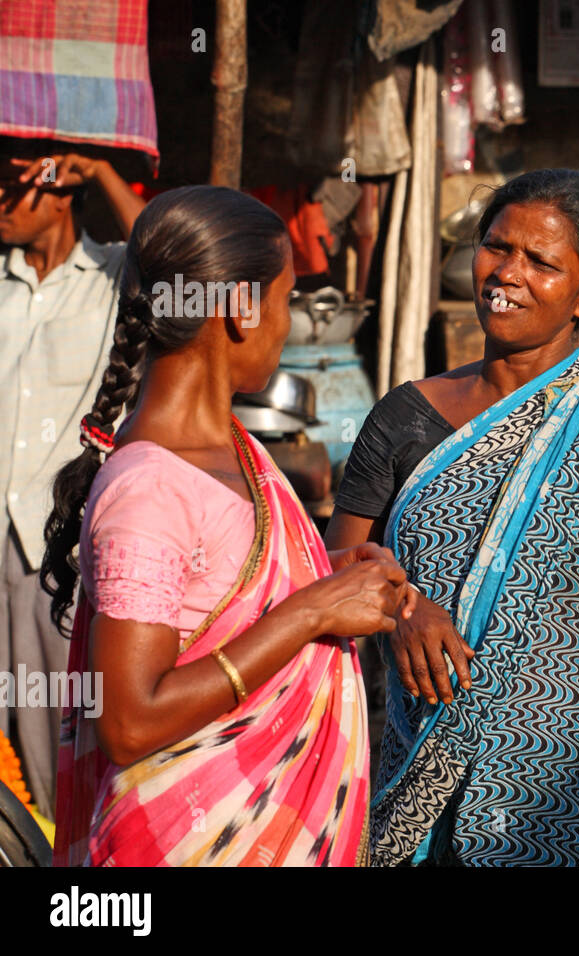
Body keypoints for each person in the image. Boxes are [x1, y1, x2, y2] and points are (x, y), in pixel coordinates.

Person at [324, 168, 579, 867]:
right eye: (496, 246)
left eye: (541, 262)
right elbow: (330, 577)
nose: (506, 273)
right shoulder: (403, 417)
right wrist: (405, 605)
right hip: (431, 790)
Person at [42, 186, 408, 866]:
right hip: (188, 840)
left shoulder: (238, 450)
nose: (288, 324)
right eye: (286, 300)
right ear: (241, 308)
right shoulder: (151, 488)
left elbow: (221, 605)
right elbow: (129, 721)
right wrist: (305, 612)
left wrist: (330, 581)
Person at [0, 151, 145, 820]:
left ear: (60, 193)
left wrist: (100, 173)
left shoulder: (114, 275)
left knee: (54, 727)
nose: (1, 199)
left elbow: (174, 255)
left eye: (13, 186)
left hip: (52, 546)